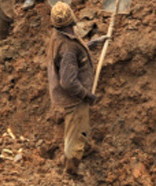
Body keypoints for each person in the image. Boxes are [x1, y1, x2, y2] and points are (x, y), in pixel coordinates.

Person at [46, 3, 96, 174]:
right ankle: (71, 168)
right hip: (74, 99)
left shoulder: (59, 36)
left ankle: (84, 149)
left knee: (79, 129)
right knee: (75, 136)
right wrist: (86, 95)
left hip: (70, 96)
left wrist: (91, 44)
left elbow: (74, 53)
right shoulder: (68, 48)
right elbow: (68, 82)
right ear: (72, 18)